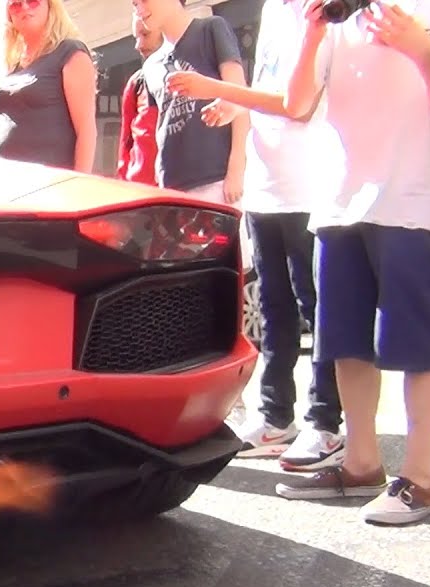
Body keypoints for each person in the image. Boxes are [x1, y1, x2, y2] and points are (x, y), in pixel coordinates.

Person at [271, 0, 430, 525]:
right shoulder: (334, 18)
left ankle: (422, 478)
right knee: (343, 339)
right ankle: (361, 461)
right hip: (341, 200)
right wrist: (310, 35)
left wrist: (423, 50)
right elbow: (297, 104)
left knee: (415, 343)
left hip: (413, 199)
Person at [164, 0, 346, 472]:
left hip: (308, 187)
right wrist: (231, 104)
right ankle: (275, 417)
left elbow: (300, 105)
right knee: (272, 308)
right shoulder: (273, 12)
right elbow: (270, 88)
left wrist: (216, 89)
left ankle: (325, 423)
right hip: (268, 189)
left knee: (316, 308)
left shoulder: (323, 13)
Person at [135, 0, 249, 204]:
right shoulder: (150, 65)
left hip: (216, 179)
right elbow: (157, 125)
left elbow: (240, 97)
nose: (140, 9)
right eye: (135, 4)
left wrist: (236, 168)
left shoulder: (210, 29)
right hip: (170, 185)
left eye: (144, 0)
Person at [0, 0, 97, 172]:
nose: (24, 8)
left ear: (50, 5)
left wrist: (80, 186)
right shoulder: (11, 64)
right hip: (5, 181)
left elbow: (86, 131)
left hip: (51, 183)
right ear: (8, 15)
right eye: (15, 5)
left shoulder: (70, 53)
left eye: (32, 1)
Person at [116, 12, 164, 185]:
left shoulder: (190, 74)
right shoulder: (137, 82)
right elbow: (125, 143)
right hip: (141, 189)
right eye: (136, 37)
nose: (138, 45)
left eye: (145, 34)